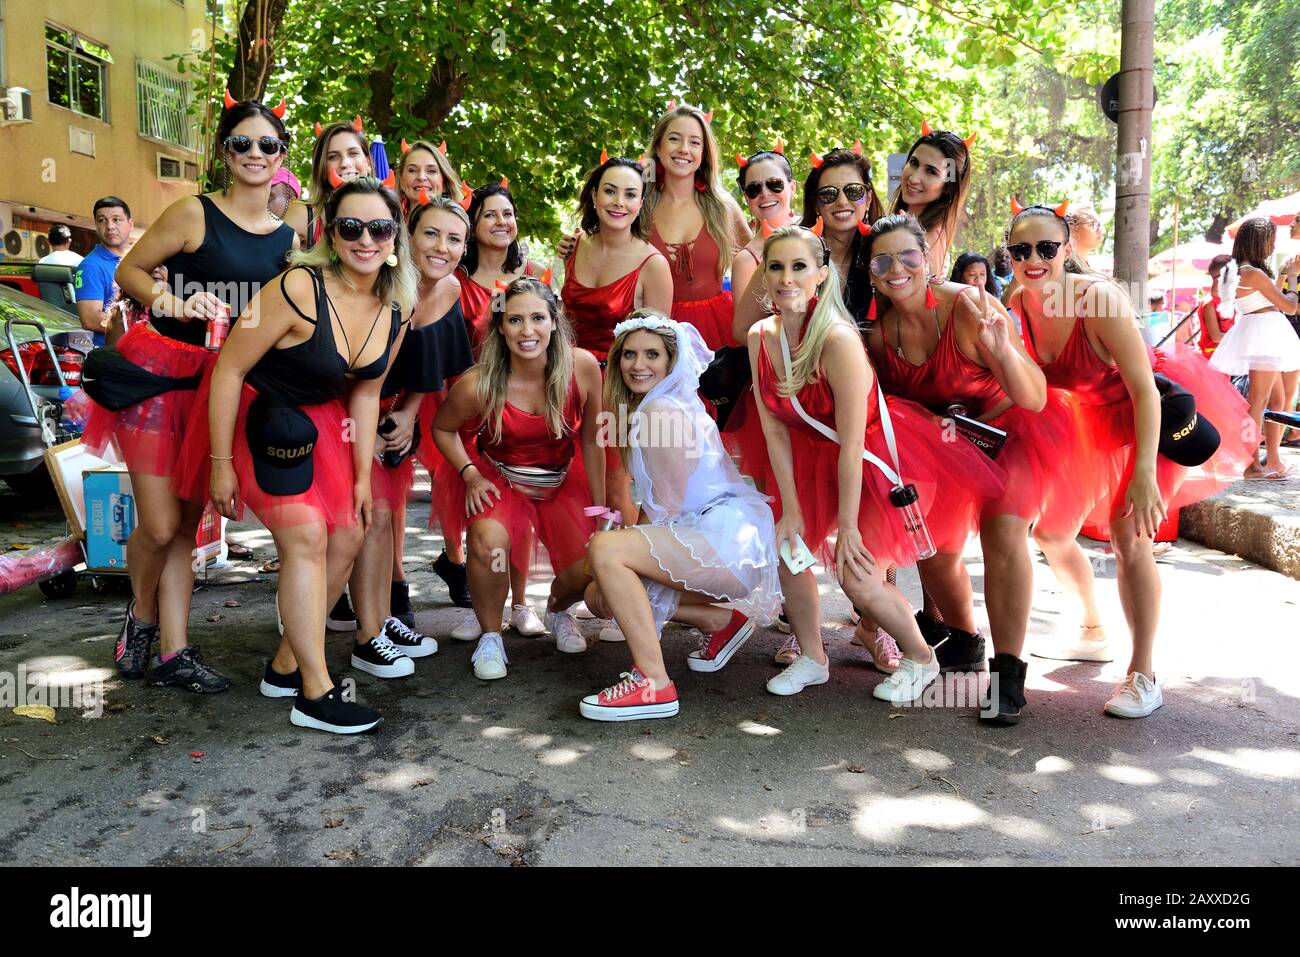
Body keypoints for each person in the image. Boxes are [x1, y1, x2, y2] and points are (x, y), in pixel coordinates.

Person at [176, 175, 414, 732]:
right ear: (330, 233)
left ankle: (285, 664)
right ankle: (315, 690)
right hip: (256, 417)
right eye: (350, 226)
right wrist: (219, 462)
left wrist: (360, 478)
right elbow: (230, 368)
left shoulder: (397, 305)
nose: (366, 239)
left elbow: (366, 390)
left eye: (379, 228)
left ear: (394, 237)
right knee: (307, 535)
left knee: (352, 531)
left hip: (326, 425)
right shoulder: (295, 287)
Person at [1007, 199, 1254, 718]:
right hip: (1089, 422)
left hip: (1150, 419)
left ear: (1067, 249)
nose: (1033, 258)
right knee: (1050, 533)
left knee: (1129, 535)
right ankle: (1093, 630)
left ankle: (1143, 675)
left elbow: (1144, 392)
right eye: (1020, 249)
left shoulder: (1100, 299)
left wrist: (1143, 474)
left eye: (1046, 247)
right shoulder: (1018, 299)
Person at [83, 97, 296, 693]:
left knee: (184, 525)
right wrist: (172, 302)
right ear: (225, 153)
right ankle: (142, 614)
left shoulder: (292, 237)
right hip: (161, 376)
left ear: (282, 156)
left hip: (227, 387)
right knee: (156, 525)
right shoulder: (193, 214)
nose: (256, 154)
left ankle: (174, 652)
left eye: (267, 145)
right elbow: (130, 272)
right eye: (242, 144)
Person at [742, 225, 1003, 703]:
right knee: (788, 548)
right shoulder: (760, 336)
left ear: (821, 274)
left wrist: (848, 526)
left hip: (873, 458)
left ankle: (921, 657)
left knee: (857, 574)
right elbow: (775, 429)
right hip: (809, 459)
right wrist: (792, 509)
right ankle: (813, 658)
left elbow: (849, 441)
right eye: (776, 266)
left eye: (799, 266)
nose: (786, 277)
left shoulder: (838, 339)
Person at [865, 214, 1092, 723]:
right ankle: (964, 640)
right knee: (931, 544)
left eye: (909, 256)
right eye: (883, 260)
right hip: (948, 444)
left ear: (928, 259)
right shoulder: (879, 338)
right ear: (872, 272)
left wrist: (1000, 349)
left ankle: (1007, 674)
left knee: (1003, 529)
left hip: (1013, 430)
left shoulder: (970, 308)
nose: (897, 268)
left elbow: (1033, 397)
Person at [580, 312, 782, 720]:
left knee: (605, 552)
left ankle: (652, 682)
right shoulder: (660, 404)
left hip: (718, 540)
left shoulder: (661, 412)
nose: (638, 364)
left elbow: (666, 510)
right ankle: (720, 620)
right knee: (598, 595)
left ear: (671, 362)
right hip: (723, 538)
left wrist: (615, 555)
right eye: (629, 354)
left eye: (652, 354)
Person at [433, 277, 605, 679]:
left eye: (536, 318)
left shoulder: (582, 367)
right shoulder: (478, 382)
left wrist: (600, 509)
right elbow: (443, 428)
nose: (527, 331)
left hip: (563, 479)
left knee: (592, 556)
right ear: (500, 327)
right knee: (488, 542)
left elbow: (594, 440)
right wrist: (471, 475)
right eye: (515, 320)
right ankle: (491, 636)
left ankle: (560, 610)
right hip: (502, 479)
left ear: (554, 320)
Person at [344, 193, 476, 664]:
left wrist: (408, 412)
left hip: (395, 416)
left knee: (384, 522)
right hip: (349, 413)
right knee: (371, 521)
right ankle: (367, 637)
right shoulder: (375, 287)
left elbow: (434, 363)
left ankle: (380, 620)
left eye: (455, 238)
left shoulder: (452, 290)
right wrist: (377, 425)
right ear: (407, 236)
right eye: (431, 234)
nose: (442, 247)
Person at [436, 181, 545, 624]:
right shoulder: (454, 283)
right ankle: (484, 607)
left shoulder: (533, 275)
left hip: (520, 405)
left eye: (508, 213)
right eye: (490, 215)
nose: (501, 222)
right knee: (479, 508)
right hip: (469, 402)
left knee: (523, 506)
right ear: (472, 226)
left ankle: (521, 603)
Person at [562, 155, 672, 522]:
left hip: (618, 389)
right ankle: (584, 567)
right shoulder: (575, 246)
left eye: (629, 194)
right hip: (569, 381)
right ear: (594, 197)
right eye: (609, 191)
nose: (618, 202)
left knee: (612, 485)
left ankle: (620, 567)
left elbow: (659, 350)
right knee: (573, 481)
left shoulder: (652, 263)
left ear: (641, 204)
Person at [641, 104, 751, 350]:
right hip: (657, 334)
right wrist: (574, 244)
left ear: (704, 153)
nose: (684, 149)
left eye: (695, 142)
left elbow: (760, 263)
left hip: (720, 336)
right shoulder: (638, 208)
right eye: (674, 139)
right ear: (658, 147)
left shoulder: (723, 207)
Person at [1209, 217, 1300, 478]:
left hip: (1257, 331)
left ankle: (1272, 459)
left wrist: (1282, 274)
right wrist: (1292, 279)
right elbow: (1289, 306)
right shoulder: (1254, 273)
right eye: (1270, 240)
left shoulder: (1236, 271)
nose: (1272, 246)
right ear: (1259, 242)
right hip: (1265, 333)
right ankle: (1251, 463)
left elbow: (1264, 296)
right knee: (1257, 401)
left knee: (1277, 399)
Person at [889, 123, 974, 276]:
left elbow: (926, 297)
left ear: (948, 187)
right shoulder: (909, 225)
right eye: (913, 163)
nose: (914, 179)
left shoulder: (929, 237)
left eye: (931, 171)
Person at [284, 118, 373, 248]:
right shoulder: (303, 215)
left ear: (368, 162)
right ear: (322, 168)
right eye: (333, 157)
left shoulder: (388, 211)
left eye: (353, 153)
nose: (345, 164)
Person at [75, 197, 134, 345]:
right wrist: (141, 326)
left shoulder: (138, 260)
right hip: (115, 356)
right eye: (102, 220)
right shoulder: (91, 266)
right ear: (96, 225)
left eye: (117, 219)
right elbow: (90, 319)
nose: (110, 226)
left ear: (130, 224)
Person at [396, 139, 465, 215]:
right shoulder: (384, 219)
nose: (421, 177)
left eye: (431, 171)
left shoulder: (464, 224)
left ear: (445, 182)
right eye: (412, 170)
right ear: (401, 181)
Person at [1197, 254, 1236, 359]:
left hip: (1227, 354)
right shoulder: (1209, 303)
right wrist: (1241, 336)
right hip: (1214, 357)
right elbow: (1216, 337)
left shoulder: (1228, 299)